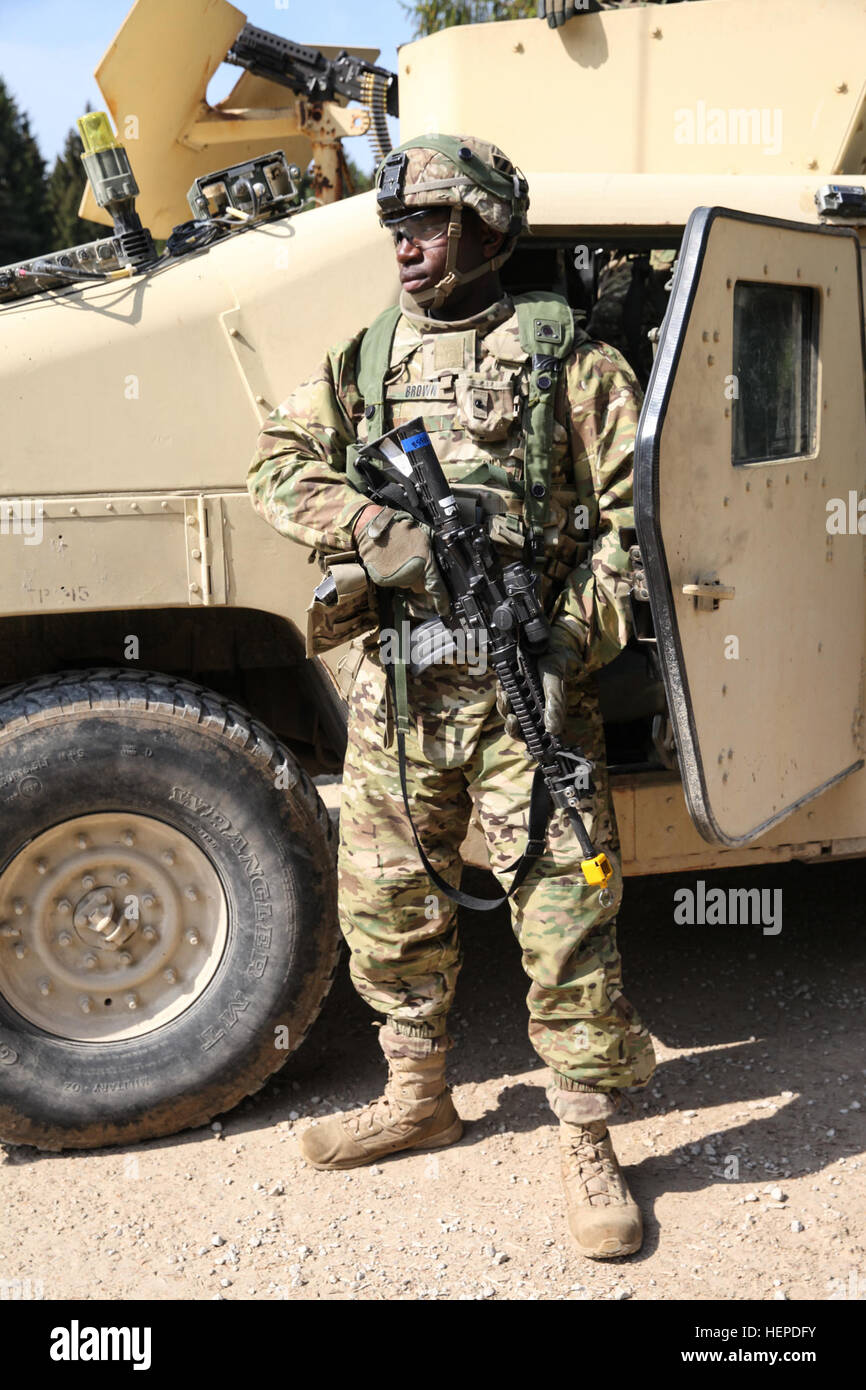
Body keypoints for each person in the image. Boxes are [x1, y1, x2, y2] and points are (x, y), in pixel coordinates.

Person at [247, 134, 656, 1260]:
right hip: (398, 689)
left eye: (430, 223)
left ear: (487, 230)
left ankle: (584, 1131)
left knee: (565, 916)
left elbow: (635, 527)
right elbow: (278, 463)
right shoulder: (369, 356)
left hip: (529, 686)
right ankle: (418, 1098)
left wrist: (568, 635)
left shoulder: (569, 358)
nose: (407, 244)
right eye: (396, 226)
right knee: (386, 906)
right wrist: (378, 530)